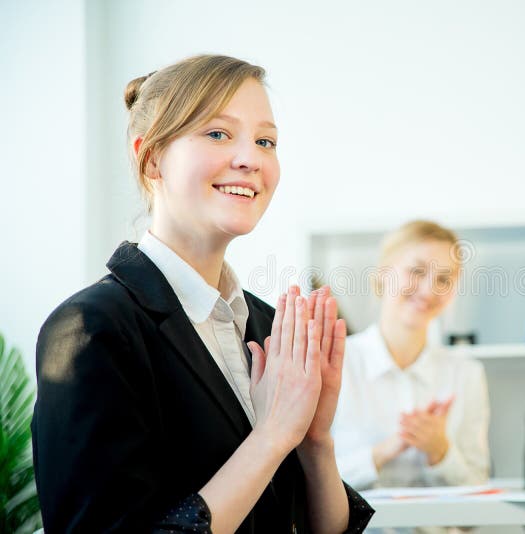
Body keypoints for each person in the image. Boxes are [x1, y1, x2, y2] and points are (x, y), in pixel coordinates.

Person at [32, 54, 373, 533]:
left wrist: (313, 440)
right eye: (217, 133)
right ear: (152, 158)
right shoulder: (90, 330)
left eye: (265, 141)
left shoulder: (268, 327)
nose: (251, 159)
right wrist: (273, 434)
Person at [331, 221, 490, 498]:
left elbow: (477, 494)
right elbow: (309, 483)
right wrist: (384, 452)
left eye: (444, 279)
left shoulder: (466, 374)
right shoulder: (335, 362)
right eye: (416, 271)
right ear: (384, 274)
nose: (429, 290)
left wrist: (441, 452)